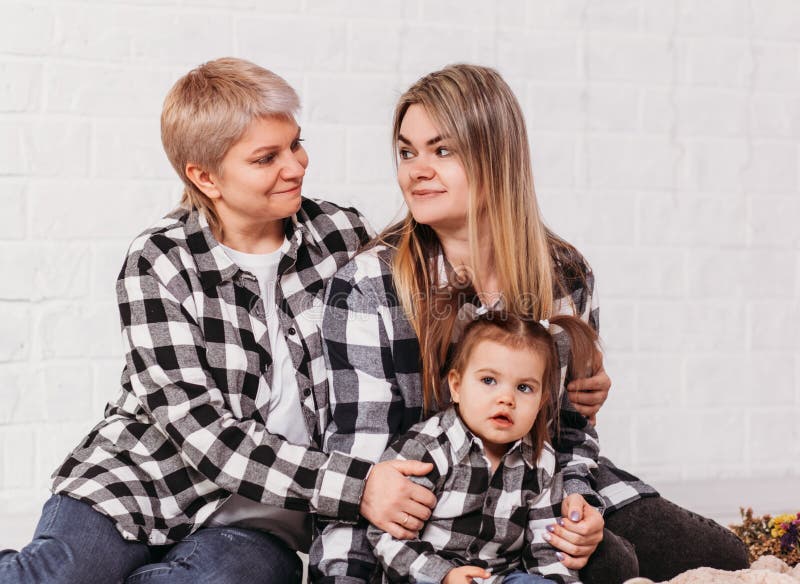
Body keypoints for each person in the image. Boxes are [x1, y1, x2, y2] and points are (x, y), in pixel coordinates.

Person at [0, 57, 437, 584]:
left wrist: (559, 362)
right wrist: (357, 485)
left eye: (296, 144)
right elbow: (201, 432)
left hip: (262, 523)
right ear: (205, 177)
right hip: (138, 483)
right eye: (265, 158)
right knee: (53, 578)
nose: (295, 166)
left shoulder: (341, 236)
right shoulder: (160, 260)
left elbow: (432, 310)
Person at [311, 64, 749, 583]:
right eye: (407, 151)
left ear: (497, 157)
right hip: (428, 511)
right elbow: (368, 465)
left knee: (721, 558)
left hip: (535, 487)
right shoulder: (370, 285)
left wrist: (579, 504)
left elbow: (571, 433)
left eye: (442, 150)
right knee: (613, 565)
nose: (417, 170)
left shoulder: (564, 274)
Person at [369, 311, 601, 584]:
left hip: (501, 579)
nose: (506, 399)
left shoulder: (542, 462)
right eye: (489, 381)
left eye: (524, 388)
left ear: (541, 402)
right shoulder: (428, 449)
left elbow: (546, 547)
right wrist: (443, 575)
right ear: (456, 386)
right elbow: (387, 536)